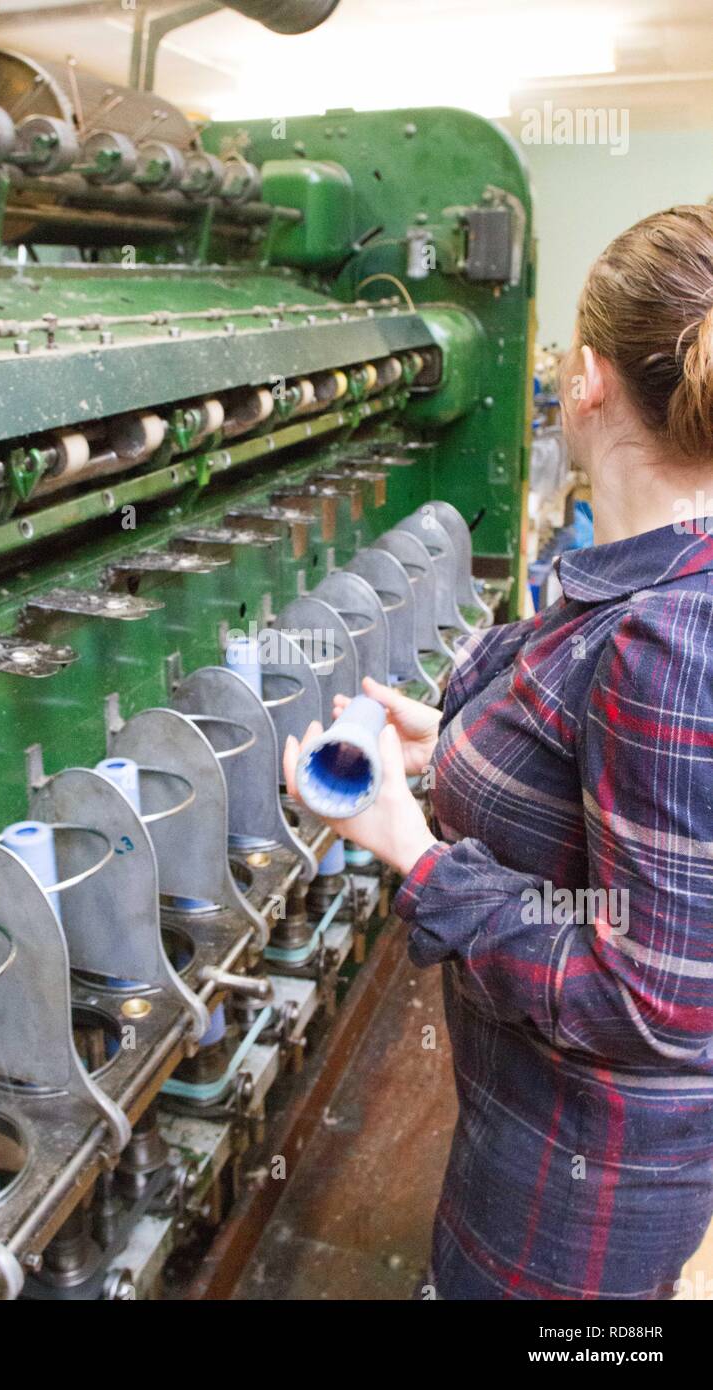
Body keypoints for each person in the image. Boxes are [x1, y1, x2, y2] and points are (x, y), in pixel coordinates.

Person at [284, 205, 713, 1300]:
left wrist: (413, 852)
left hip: (579, 1193)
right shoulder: (647, 573)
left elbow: (653, 1001)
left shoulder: (671, 634)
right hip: (529, 1120)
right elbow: (593, 765)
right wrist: (458, 744)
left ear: (582, 380)